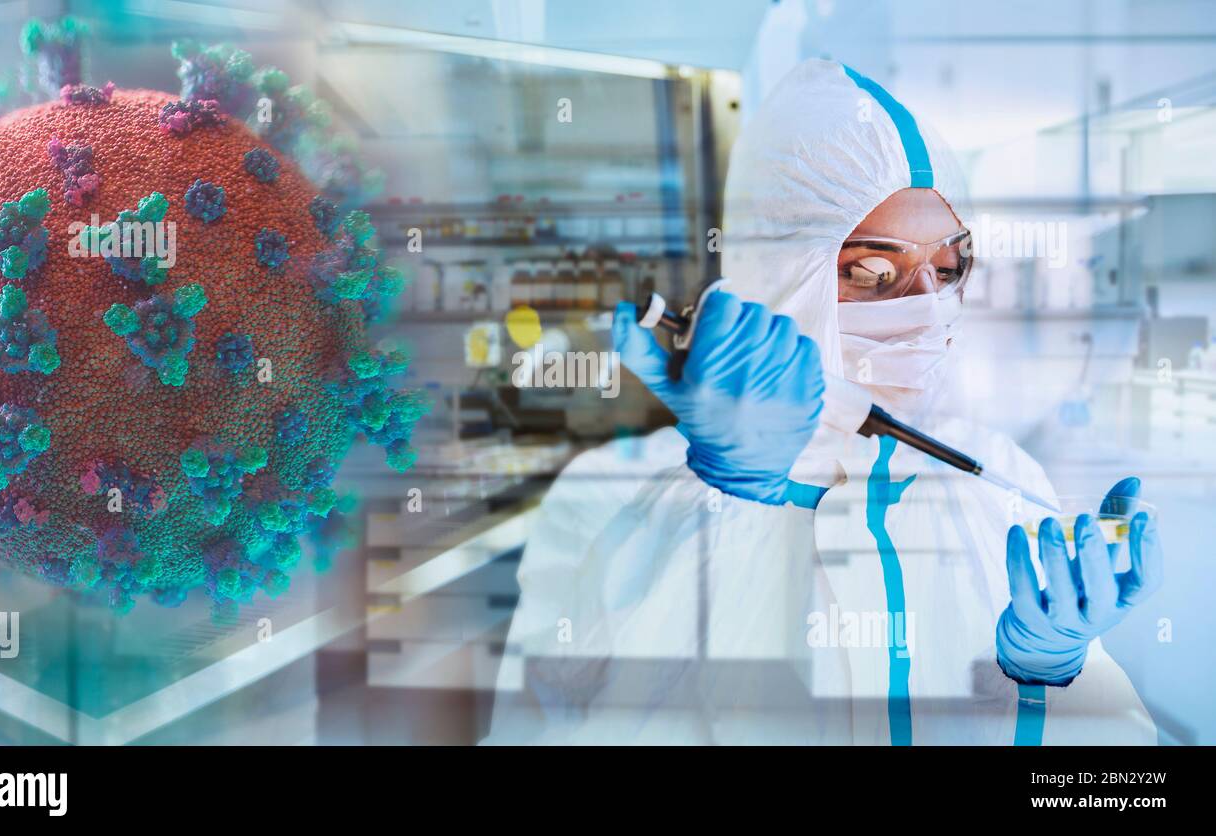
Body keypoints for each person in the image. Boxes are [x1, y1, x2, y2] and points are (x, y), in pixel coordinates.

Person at [485, 60, 1161, 745]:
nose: (928, 309)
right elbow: (549, 730)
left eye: (949, 269)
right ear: (778, 278)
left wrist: (1040, 681)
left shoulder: (997, 474)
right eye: (875, 272)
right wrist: (729, 504)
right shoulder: (608, 494)